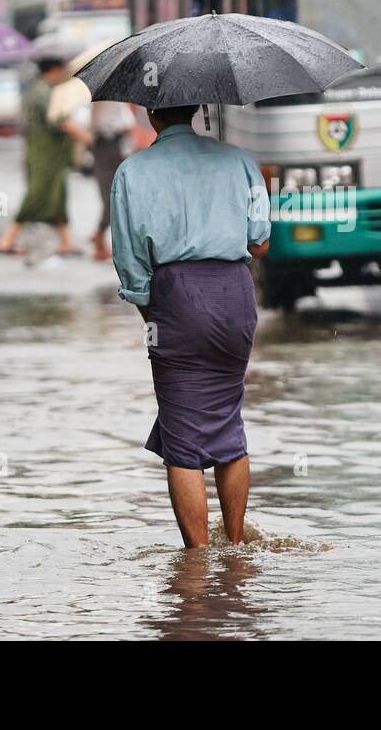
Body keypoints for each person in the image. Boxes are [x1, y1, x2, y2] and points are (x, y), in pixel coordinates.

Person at [110, 103, 270, 548]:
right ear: (200, 109)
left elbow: (130, 260)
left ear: (149, 113)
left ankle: (198, 560)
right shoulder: (239, 160)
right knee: (228, 421)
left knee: (182, 439)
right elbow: (260, 243)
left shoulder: (132, 173)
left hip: (176, 297)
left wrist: (154, 315)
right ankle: (236, 548)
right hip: (235, 297)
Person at [0, 59, 93, 256]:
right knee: (38, 193)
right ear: (55, 70)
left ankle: (66, 242)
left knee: (58, 196)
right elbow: (61, 122)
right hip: (45, 153)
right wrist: (89, 139)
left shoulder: (41, 90)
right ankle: (7, 238)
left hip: (50, 152)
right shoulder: (43, 92)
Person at [89, 97, 137, 261]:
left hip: (117, 146)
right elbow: (107, 125)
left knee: (119, 195)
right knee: (113, 196)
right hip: (108, 146)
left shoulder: (118, 95)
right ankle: (100, 237)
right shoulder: (106, 97)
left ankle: (100, 235)